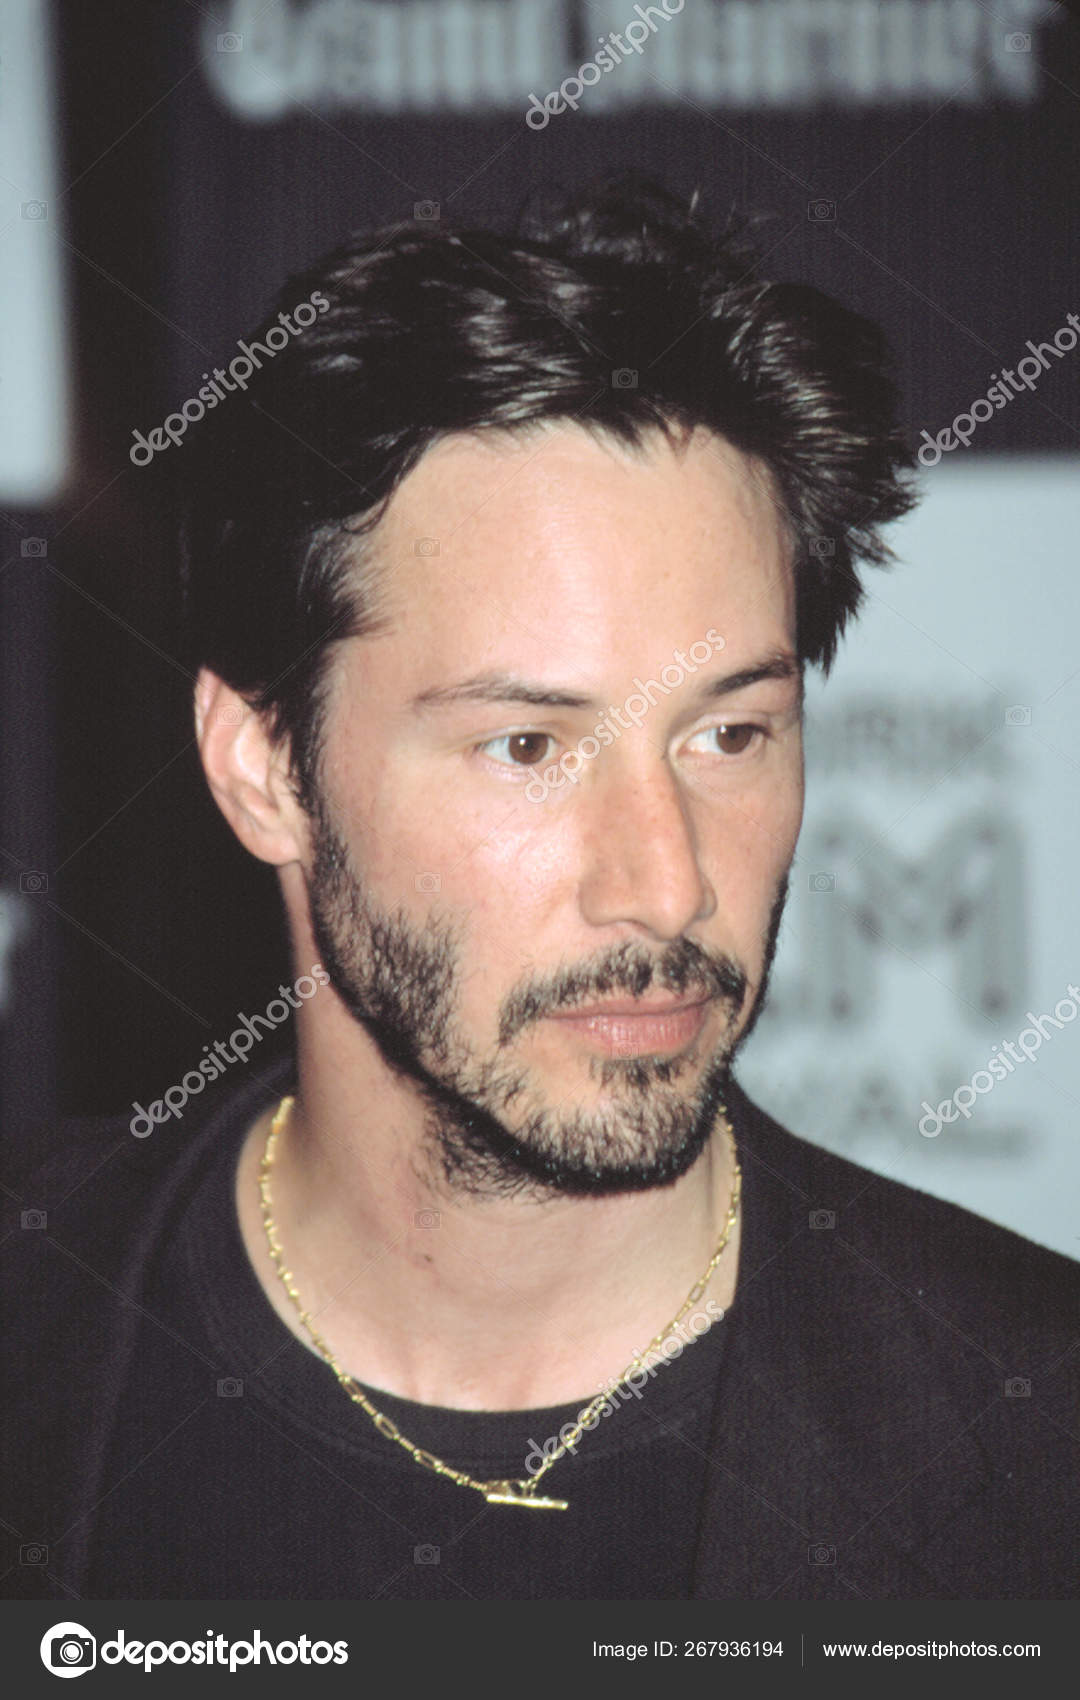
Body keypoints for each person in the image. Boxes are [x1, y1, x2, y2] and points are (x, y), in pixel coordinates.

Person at [7, 176, 1076, 1602]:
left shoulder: (1036, 1435)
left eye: (728, 735)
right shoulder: (41, 1319)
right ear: (264, 767)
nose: (667, 886)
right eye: (527, 746)